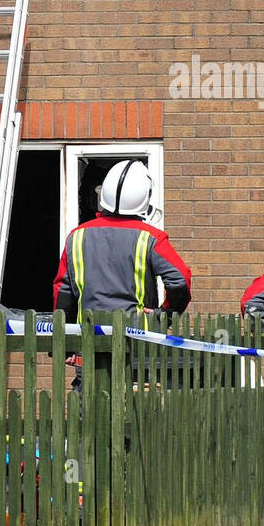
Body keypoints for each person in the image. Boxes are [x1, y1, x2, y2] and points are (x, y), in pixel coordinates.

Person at [52, 160, 192, 388]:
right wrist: (165, 313)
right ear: (144, 199)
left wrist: (67, 341)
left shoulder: (76, 236)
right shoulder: (151, 238)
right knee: (136, 414)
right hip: (136, 344)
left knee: (89, 411)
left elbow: (63, 292)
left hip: (88, 342)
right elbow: (180, 280)